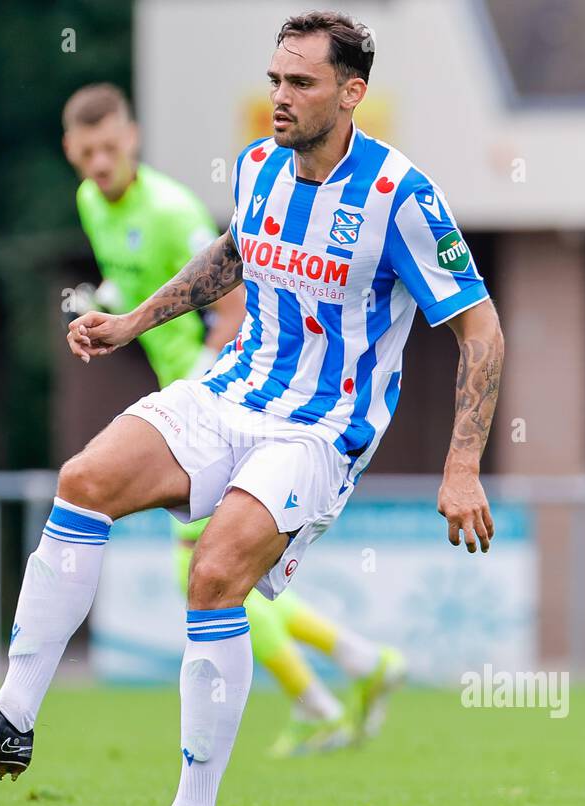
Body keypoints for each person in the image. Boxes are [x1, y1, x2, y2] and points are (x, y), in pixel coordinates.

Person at [0, 10, 504, 806]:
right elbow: (232, 253)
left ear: (352, 91)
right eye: (275, 79)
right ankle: (11, 717)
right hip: (231, 390)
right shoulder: (260, 165)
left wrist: (464, 465)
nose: (280, 98)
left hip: (320, 428)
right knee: (83, 480)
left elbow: (480, 332)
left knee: (217, 571)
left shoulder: (401, 198)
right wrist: (133, 321)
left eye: (301, 83)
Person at [60, 81, 404, 756]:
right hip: (187, 395)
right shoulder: (90, 205)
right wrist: (107, 304)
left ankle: (319, 700)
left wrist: (205, 395)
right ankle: (362, 664)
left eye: (110, 146)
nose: (99, 162)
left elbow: (235, 299)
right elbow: (134, 281)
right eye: (86, 151)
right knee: (213, 575)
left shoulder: (170, 208)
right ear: (71, 151)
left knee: (210, 575)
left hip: (222, 404)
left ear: (132, 138)